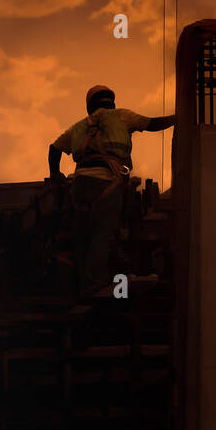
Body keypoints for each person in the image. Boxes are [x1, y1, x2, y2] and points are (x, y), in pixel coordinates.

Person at [48, 84, 175, 297]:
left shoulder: (78, 126)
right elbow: (153, 124)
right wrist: (178, 117)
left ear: (89, 106)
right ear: (111, 102)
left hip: (79, 185)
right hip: (107, 183)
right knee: (103, 234)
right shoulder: (122, 116)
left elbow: (54, 149)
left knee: (84, 236)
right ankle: (94, 286)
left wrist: (55, 175)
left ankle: (89, 285)